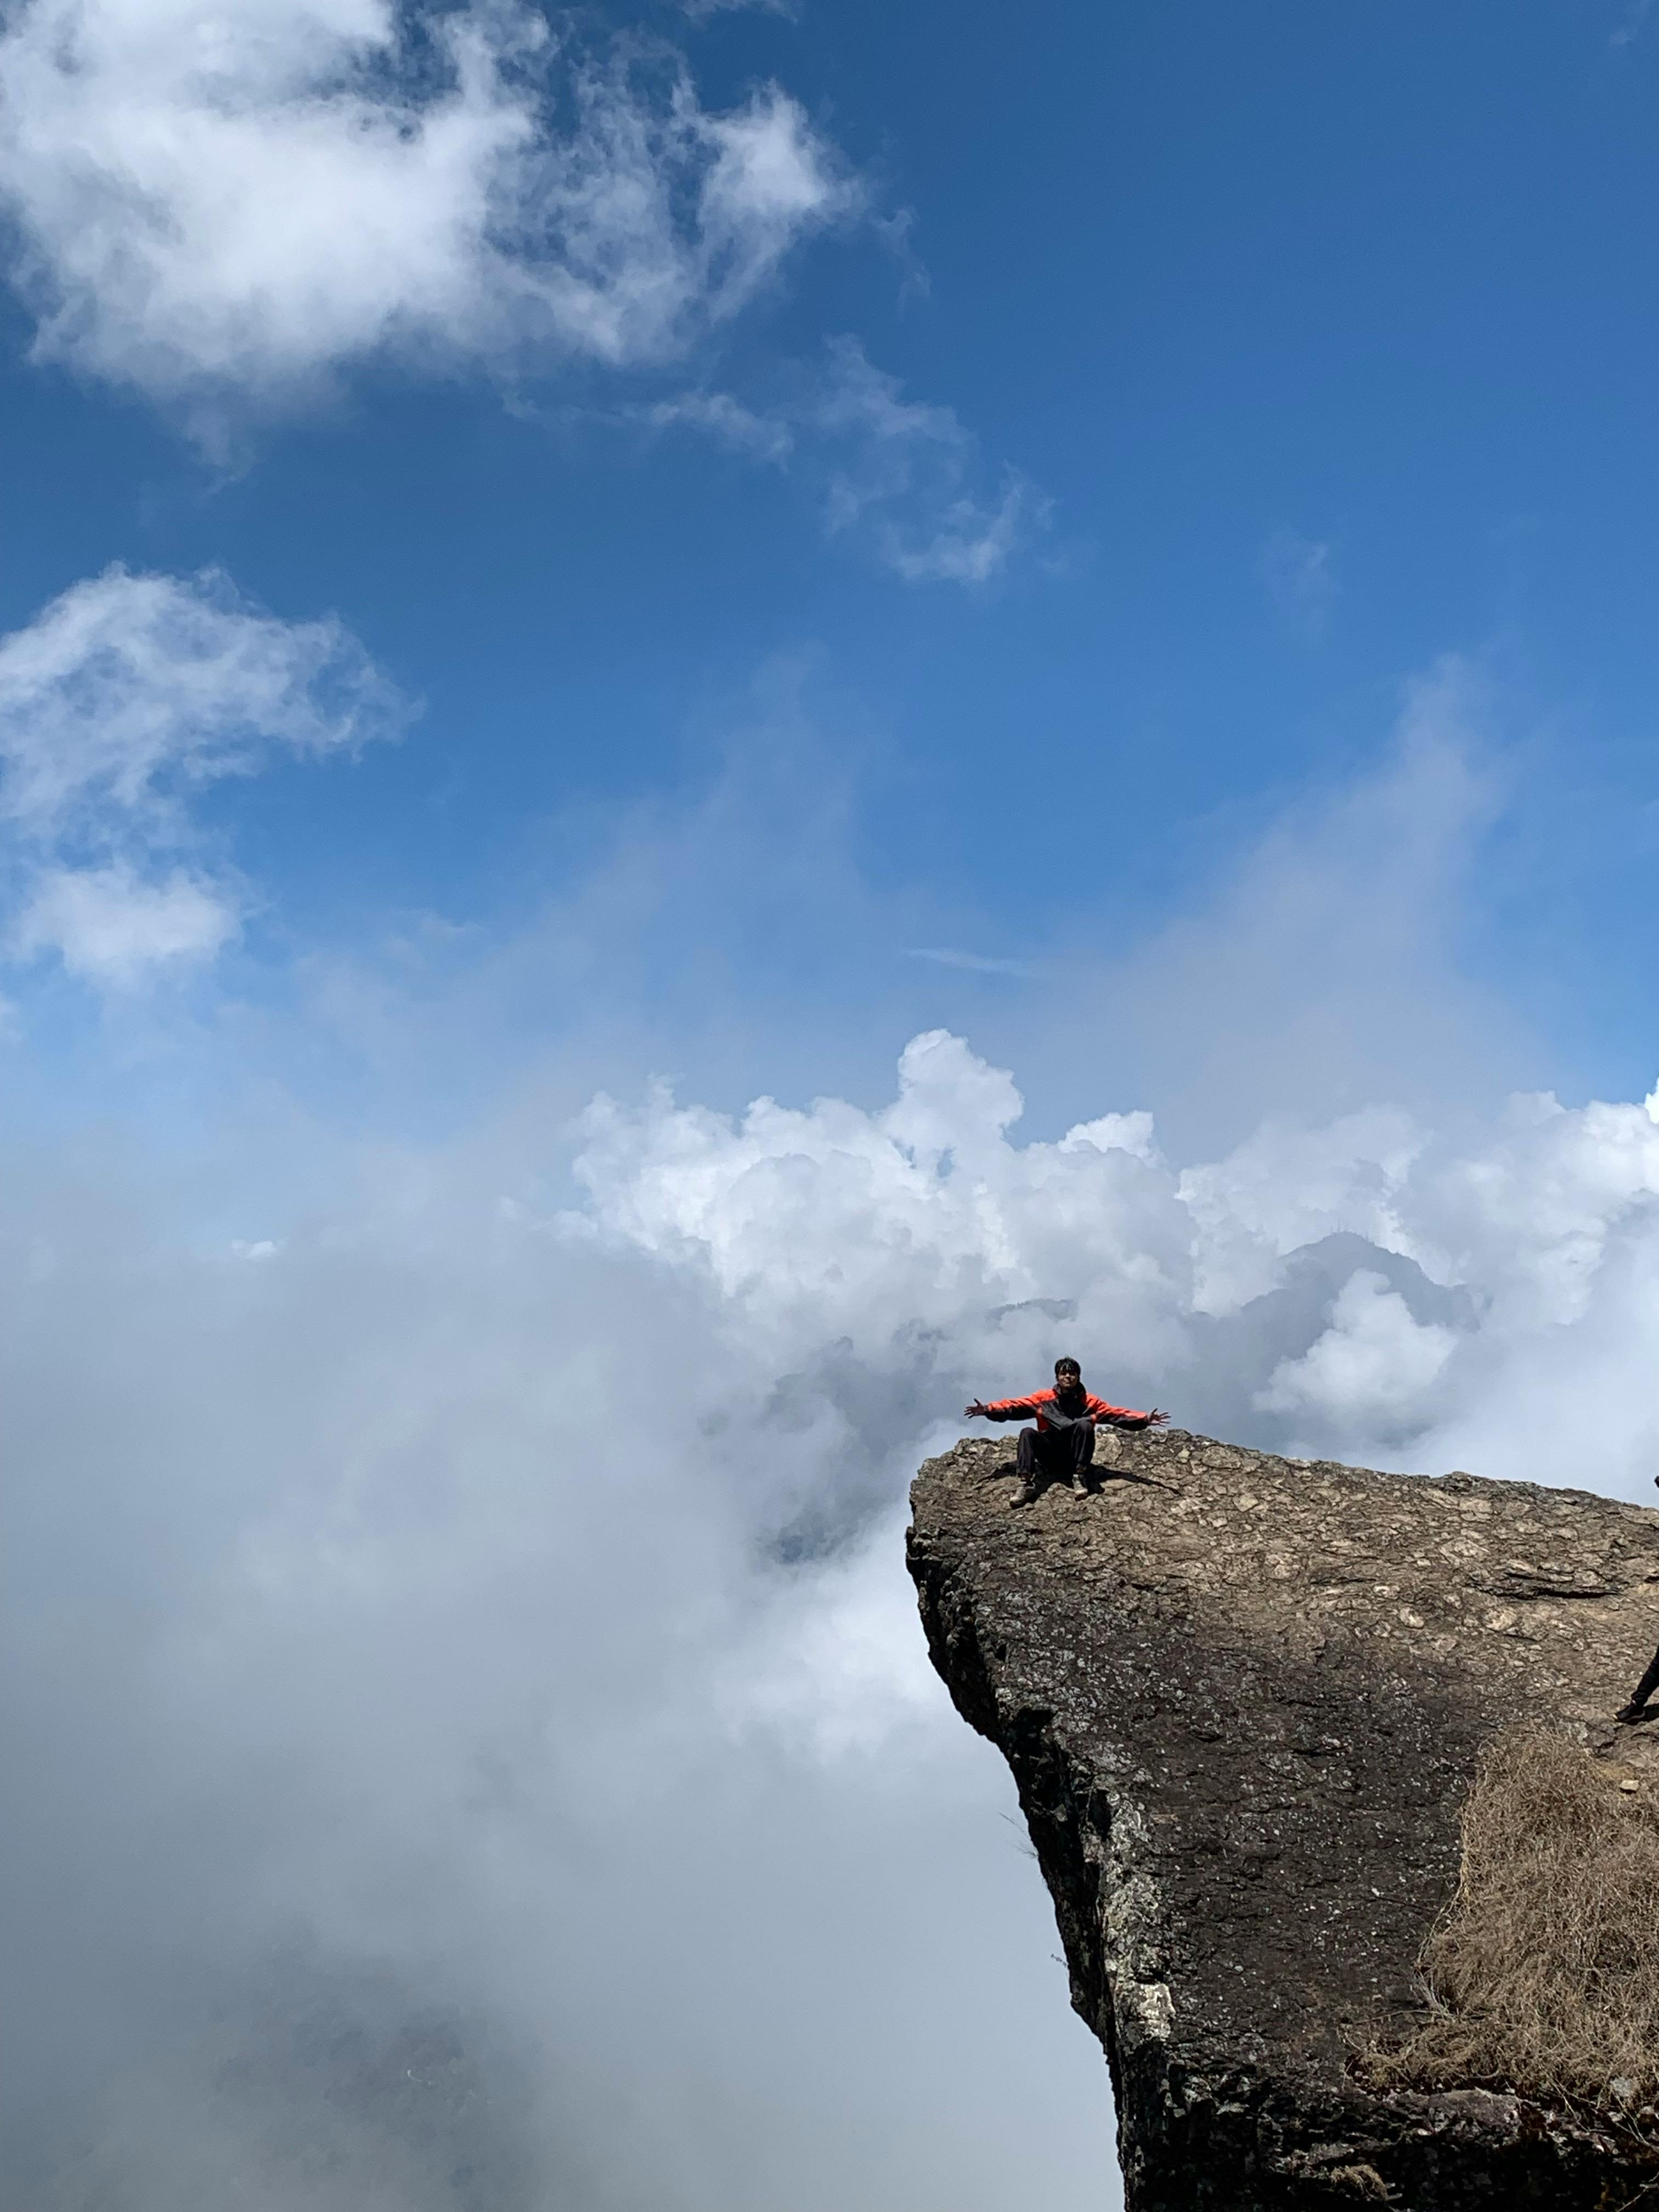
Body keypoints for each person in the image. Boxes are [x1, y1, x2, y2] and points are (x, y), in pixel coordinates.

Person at [964, 1357, 1169, 1508]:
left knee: (1085, 1426)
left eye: (1072, 1373)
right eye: (1064, 1373)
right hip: (1050, 1455)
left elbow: (1116, 1414)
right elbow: (1014, 1406)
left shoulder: (1090, 1402)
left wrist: (1144, 1419)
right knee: (1027, 1432)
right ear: (1057, 1377)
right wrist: (989, 1410)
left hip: (1074, 1457)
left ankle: (1080, 1478)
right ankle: (1026, 1484)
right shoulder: (1043, 1399)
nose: (1068, 1377)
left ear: (1078, 1376)